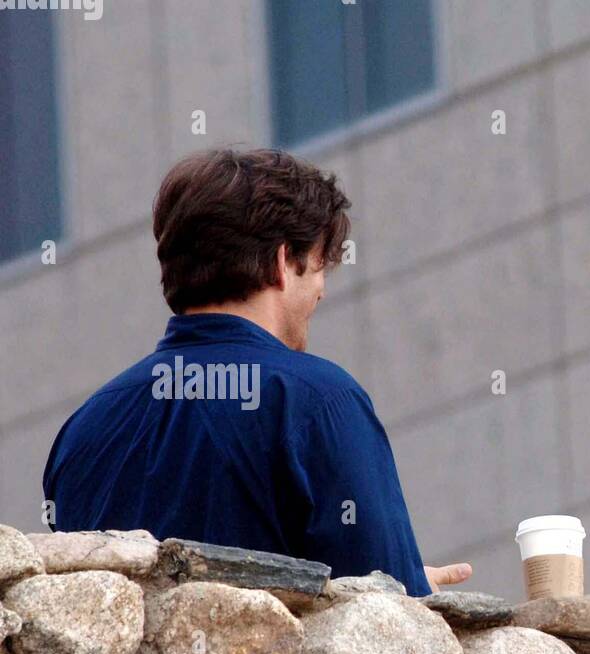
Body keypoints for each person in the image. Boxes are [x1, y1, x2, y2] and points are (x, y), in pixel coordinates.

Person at [42, 148, 468, 596]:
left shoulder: (83, 430)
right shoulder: (318, 400)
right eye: (321, 266)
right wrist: (416, 590)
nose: (321, 292)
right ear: (283, 262)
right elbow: (390, 607)